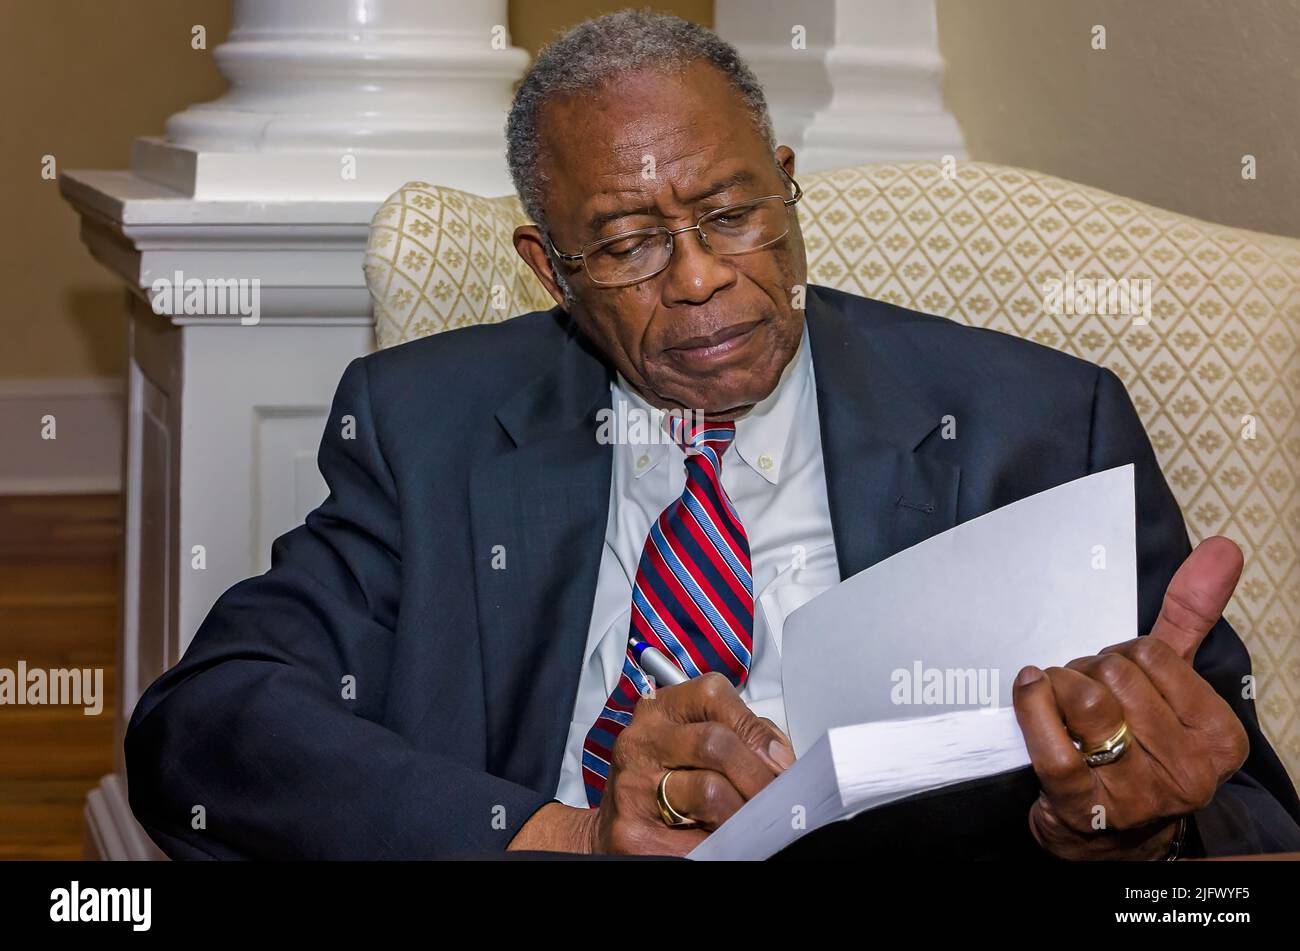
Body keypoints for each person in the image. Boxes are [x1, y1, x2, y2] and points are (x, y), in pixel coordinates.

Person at [124, 11, 1300, 860]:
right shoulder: (424, 424)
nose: (697, 280)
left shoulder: (1035, 423)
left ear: (787, 194)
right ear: (550, 268)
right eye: (629, 242)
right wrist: (563, 839)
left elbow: (1245, 803)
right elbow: (209, 725)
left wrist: (1121, 823)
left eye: (733, 215)